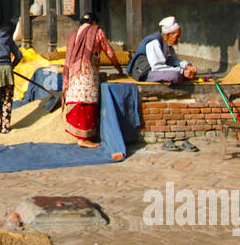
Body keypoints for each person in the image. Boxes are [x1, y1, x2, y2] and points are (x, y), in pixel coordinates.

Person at [62, 13, 123, 148]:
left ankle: (80, 136)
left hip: (73, 72)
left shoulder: (73, 35)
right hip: (87, 71)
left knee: (76, 99)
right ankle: (83, 139)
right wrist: (118, 67)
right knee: (86, 101)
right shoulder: (97, 32)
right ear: (94, 22)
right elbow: (109, 51)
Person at [127, 17, 198, 83]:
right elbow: (157, 67)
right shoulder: (154, 42)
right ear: (168, 35)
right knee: (175, 75)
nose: (178, 39)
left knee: (184, 75)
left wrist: (187, 66)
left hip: (157, 71)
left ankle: (166, 78)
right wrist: (182, 71)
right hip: (144, 72)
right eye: (177, 36)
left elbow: (173, 60)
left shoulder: (167, 44)